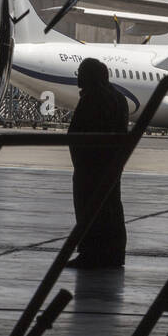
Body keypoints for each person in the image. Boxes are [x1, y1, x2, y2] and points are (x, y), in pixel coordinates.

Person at [66, 58, 128, 269]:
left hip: (90, 167)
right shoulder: (119, 99)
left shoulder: (93, 99)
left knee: (88, 209)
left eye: (82, 74)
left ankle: (91, 253)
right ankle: (115, 253)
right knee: (112, 207)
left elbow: (78, 132)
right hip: (112, 165)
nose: (79, 79)